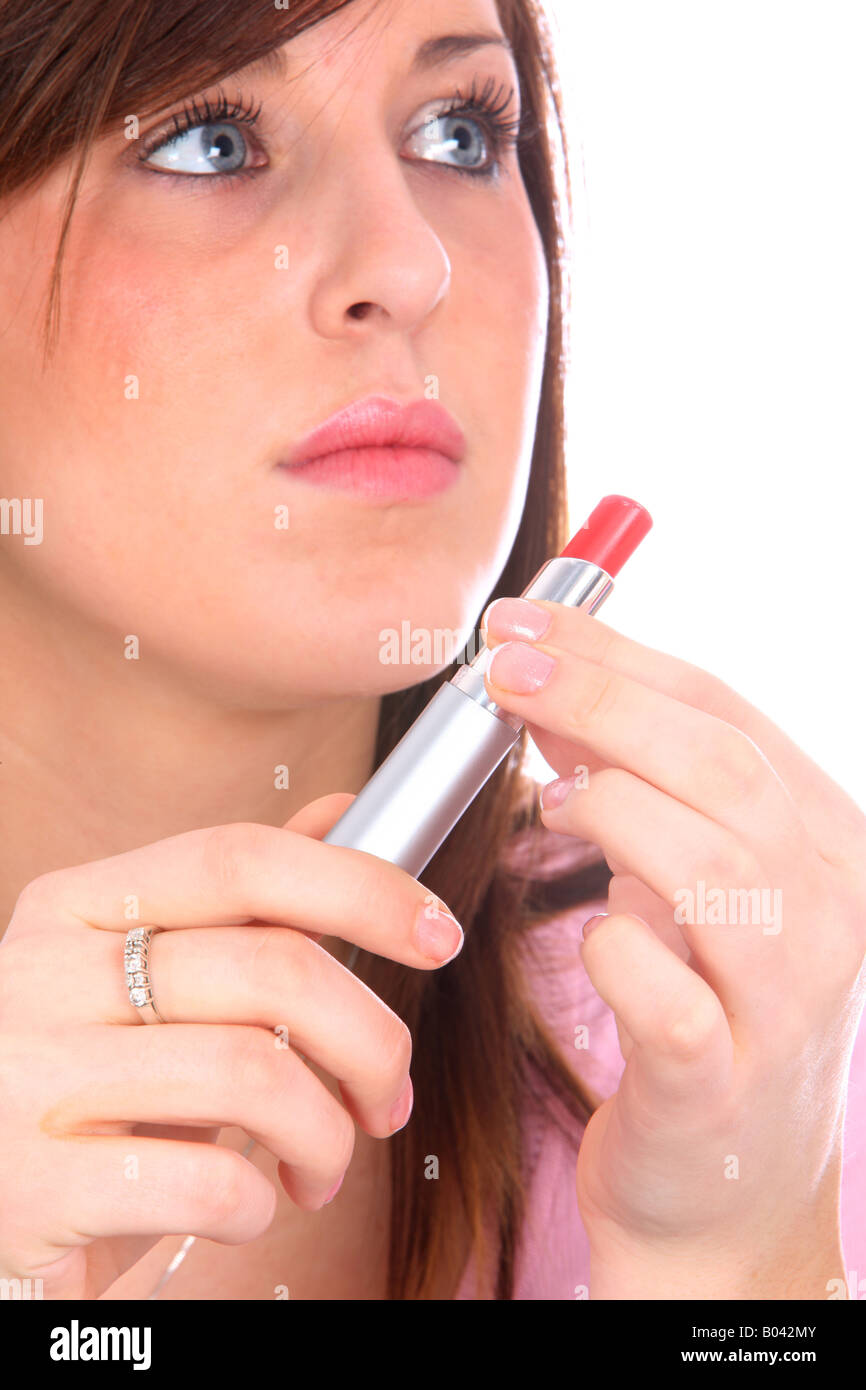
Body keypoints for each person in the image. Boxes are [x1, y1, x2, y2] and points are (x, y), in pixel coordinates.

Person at [0, 0, 863, 1301]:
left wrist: (736, 1262)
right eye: (208, 142)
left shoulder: (721, 1037)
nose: (408, 266)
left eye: (459, 131)